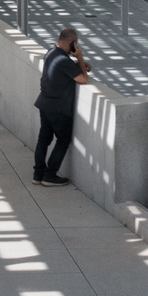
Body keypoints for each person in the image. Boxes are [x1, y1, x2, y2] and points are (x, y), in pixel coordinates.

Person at [33, 25, 91, 186]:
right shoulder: (64, 60)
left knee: (43, 140)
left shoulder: (51, 53)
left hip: (44, 103)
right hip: (58, 108)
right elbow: (83, 80)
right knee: (63, 140)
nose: (77, 46)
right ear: (72, 42)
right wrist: (79, 58)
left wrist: (79, 64)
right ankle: (50, 176)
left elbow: (63, 68)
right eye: (76, 43)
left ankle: (38, 174)